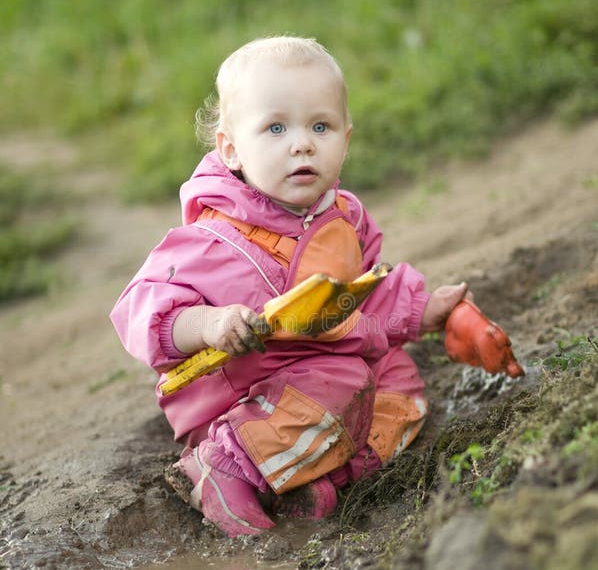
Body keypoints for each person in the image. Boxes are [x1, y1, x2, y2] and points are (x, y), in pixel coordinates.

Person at [110, 36, 469, 538]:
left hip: (322, 375)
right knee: (345, 380)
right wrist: (209, 324)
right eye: (275, 128)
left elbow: (361, 295)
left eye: (319, 126)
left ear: (345, 138)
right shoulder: (213, 237)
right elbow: (138, 308)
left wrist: (424, 310)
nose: (301, 143)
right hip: (240, 398)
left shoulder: (341, 217)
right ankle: (222, 467)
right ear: (232, 149)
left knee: (398, 381)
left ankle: (318, 479)